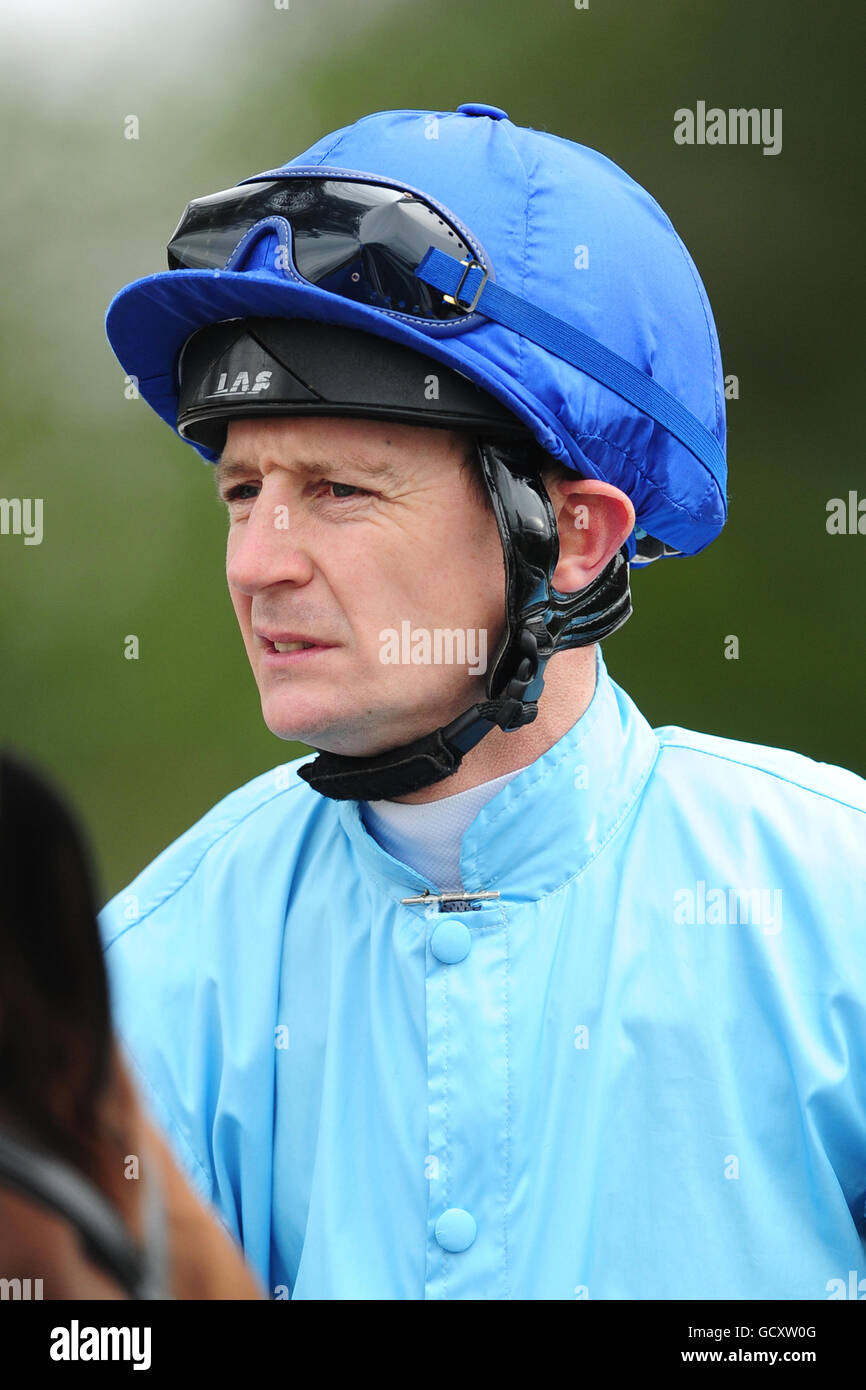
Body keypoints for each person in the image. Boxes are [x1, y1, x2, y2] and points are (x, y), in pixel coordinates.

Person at [98, 103, 866, 1300]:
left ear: (570, 534)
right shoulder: (142, 976)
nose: (258, 564)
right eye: (243, 491)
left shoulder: (834, 904)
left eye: (339, 489)